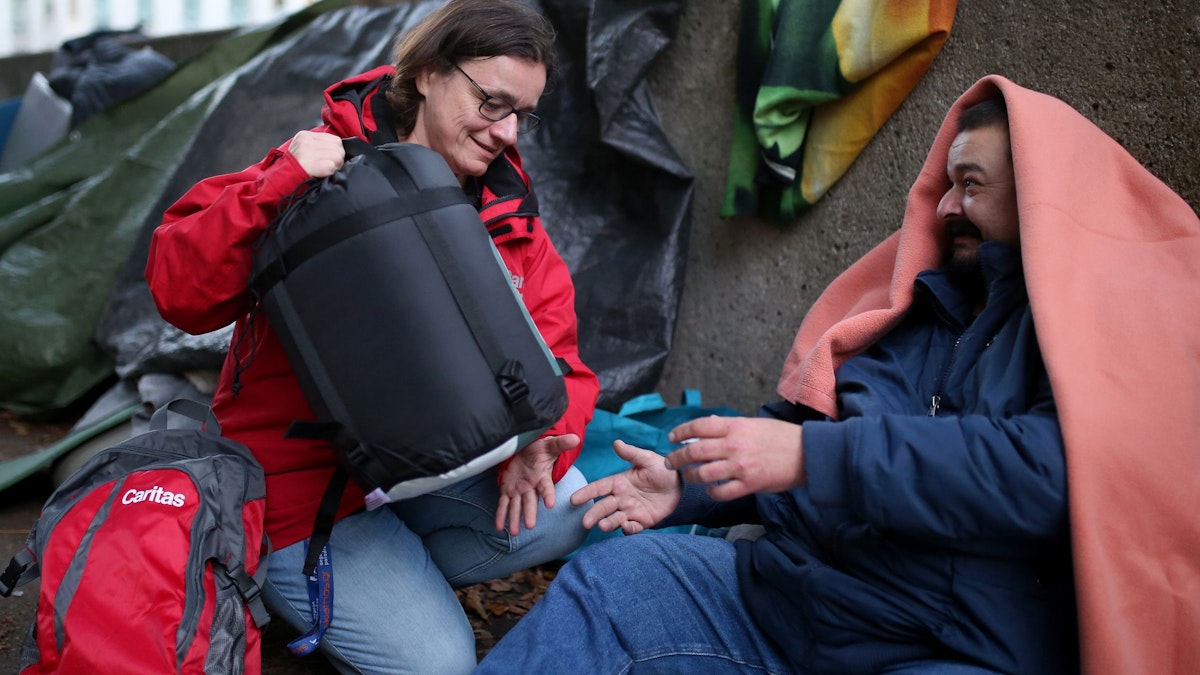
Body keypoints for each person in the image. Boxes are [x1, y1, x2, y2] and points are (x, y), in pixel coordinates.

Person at [475, 76, 1200, 674]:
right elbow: (801, 438)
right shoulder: (914, 311)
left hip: (948, 649)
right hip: (797, 605)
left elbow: (1046, 473)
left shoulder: (1098, 343)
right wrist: (691, 486)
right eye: (945, 186)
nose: (946, 206)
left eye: (971, 184)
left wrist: (811, 458)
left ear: (1046, 198)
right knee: (619, 581)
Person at [144, 1, 599, 673]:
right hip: (308, 495)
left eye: (521, 114)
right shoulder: (318, 174)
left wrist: (546, 438)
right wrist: (279, 182)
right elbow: (179, 289)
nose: (506, 132)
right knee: (439, 663)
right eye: (491, 102)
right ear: (427, 74)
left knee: (568, 500)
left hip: (427, 470)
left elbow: (562, 361)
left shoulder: (508, 216)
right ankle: (303, 582)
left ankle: (389, 585)